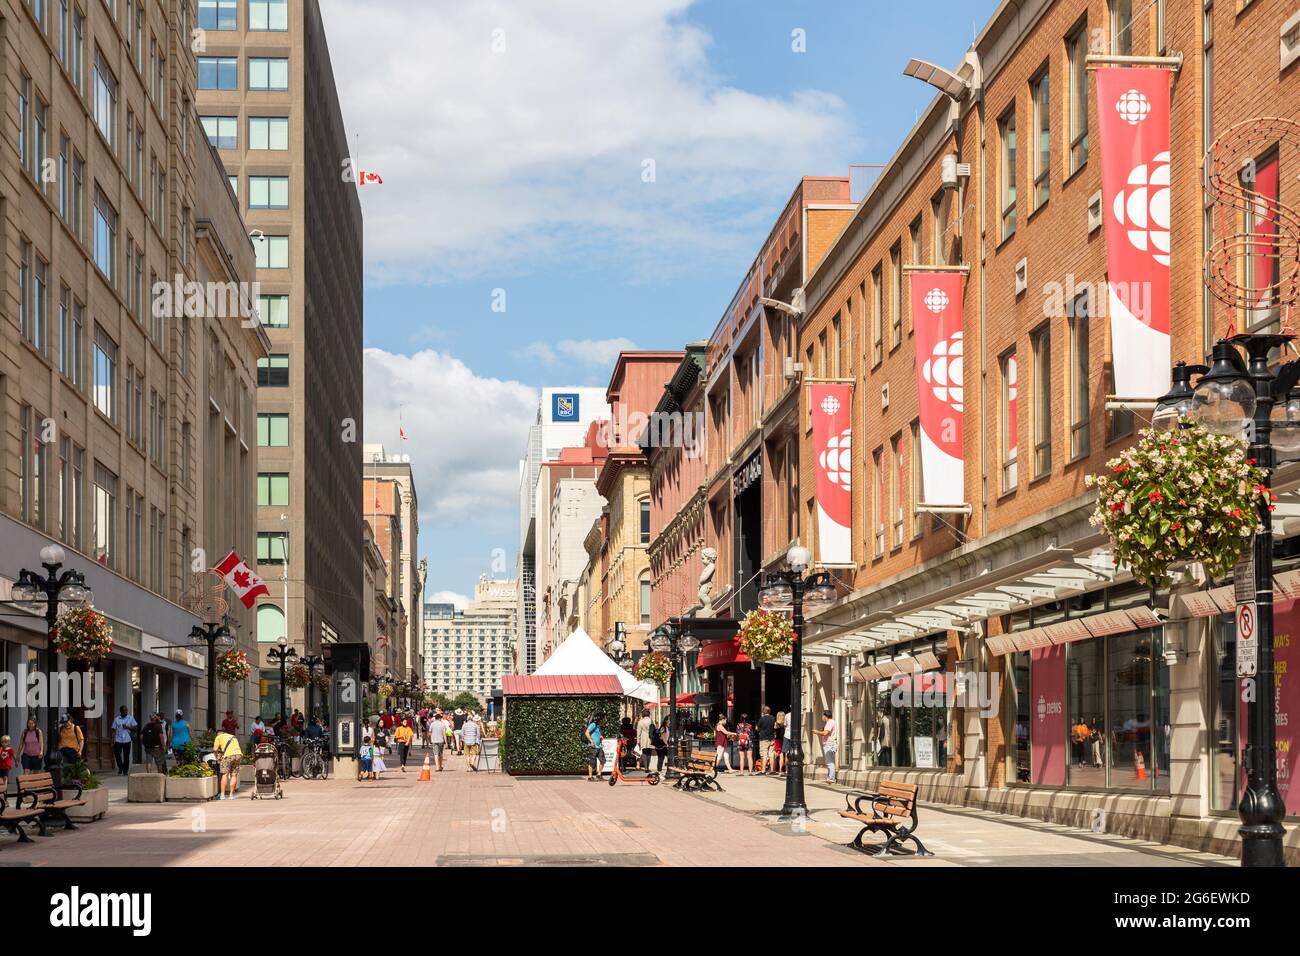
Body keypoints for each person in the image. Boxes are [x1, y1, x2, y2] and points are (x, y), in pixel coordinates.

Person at [212, 725, 243, 799]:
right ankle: (231, 795)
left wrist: (217, 756)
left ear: (218, 734)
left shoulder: (218, 737)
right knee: (234, 775)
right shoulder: (232, 736)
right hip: (238, 755)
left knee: (225, 774)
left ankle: (222, 795)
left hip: (228, 756)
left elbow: (215, 749)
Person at [813, 710, 838, 784]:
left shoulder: (830, 722)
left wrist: (817, 732)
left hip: (829, 744)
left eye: (822, 716)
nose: (822, 717)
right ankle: (830, 778)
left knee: (830, 762)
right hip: (830, 744)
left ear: (825, 716)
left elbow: (826, 733)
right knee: (830, 762)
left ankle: (831, 779)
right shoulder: (832, 722)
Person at [110, 706, 137, 775]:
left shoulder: (130, 718)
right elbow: (113, 730)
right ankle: (120, 767)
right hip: (118, 739)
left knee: (126, 755)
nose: (125, 712)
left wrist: (127, 727)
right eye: (124, 710)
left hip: (127, 739)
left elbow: (135, 727)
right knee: (117, 754)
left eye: (126, 710)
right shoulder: (116, 719)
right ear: (120, 711)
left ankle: (125, 771)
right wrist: (112, 741)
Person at [584, 714, 604, 781]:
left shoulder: (598, 726)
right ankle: (590, 777)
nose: (604, 720)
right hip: (592, 746)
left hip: (599, 746)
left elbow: (597, 734)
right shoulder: (593, 725)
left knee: (602, 760)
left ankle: (599, 775)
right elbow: (587, 733)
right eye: (602, 719)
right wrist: (591, 741)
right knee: (592, 762)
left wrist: (600, 737)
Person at [757, 706, 776, 774]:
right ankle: (772, 770)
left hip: (763, 739)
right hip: (772, 738)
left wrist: (761, 729)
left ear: (763, 711)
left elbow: (757, 728)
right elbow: (775, 726)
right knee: (771, 755)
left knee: (764, 755)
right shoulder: (773, 718)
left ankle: (763, 770)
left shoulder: (762, 719)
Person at [771, 711, 785, 776]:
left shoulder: (776, 723)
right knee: (782, 755)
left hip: (777, 740)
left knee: (775, 755)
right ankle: (780, 770)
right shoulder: (785, 723)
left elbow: (774, 730)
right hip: (783, 739)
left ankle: (774, 769)